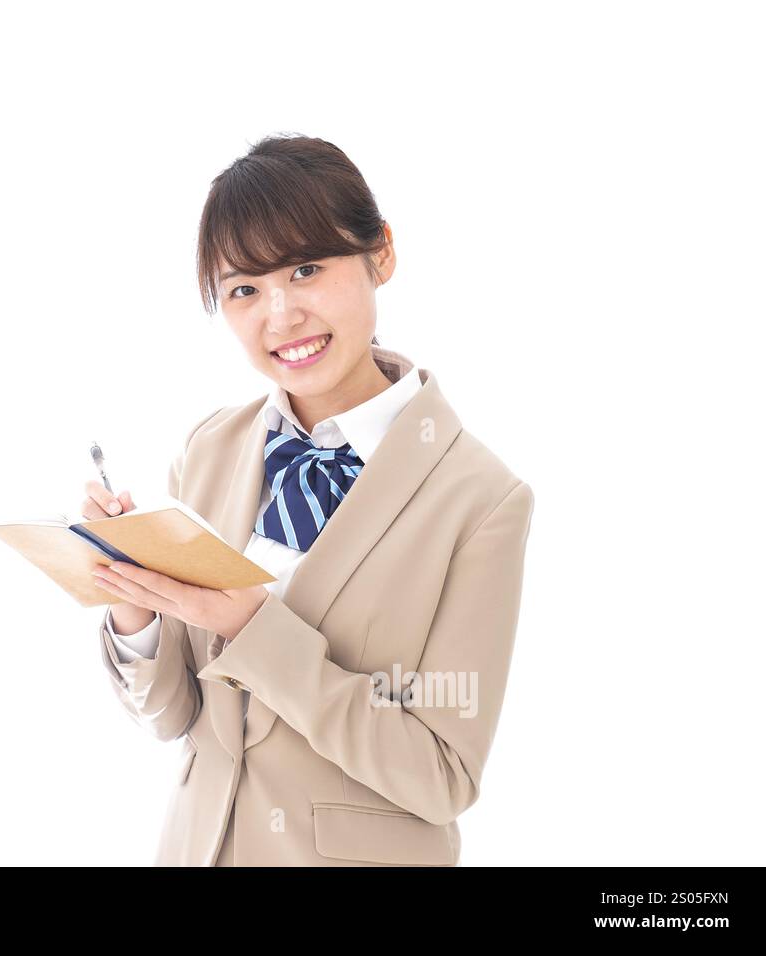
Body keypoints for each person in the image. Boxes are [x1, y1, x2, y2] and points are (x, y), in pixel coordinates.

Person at [81, 134, 535, 866]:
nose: (281, 315)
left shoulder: (480, 499)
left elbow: (442, 776)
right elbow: (173, 718)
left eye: (307, 269)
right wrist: (135, 602)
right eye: (244, 290)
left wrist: (254, 628)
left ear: (381, 254)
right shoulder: (210, 448)